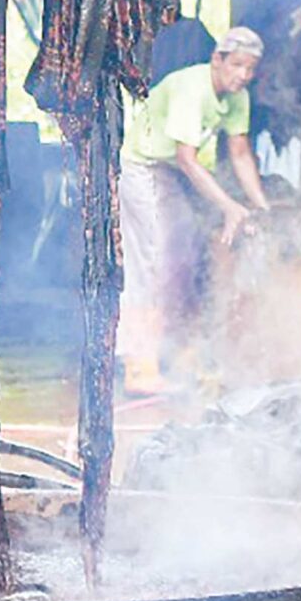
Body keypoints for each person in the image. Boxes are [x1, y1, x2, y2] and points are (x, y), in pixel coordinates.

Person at [117, 25, 272, 396]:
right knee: (152, 260)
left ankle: (176, 351)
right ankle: (139, 366)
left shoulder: (238, 97)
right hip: (142, 168)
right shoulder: (191, 87)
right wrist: (231, 208)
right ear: (217, 59)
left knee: (182, 256)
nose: (243, 76)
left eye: (250, 69)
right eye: (237, 66)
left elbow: (239, 153)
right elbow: (187, 158)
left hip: (170, 172)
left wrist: (262, 208)